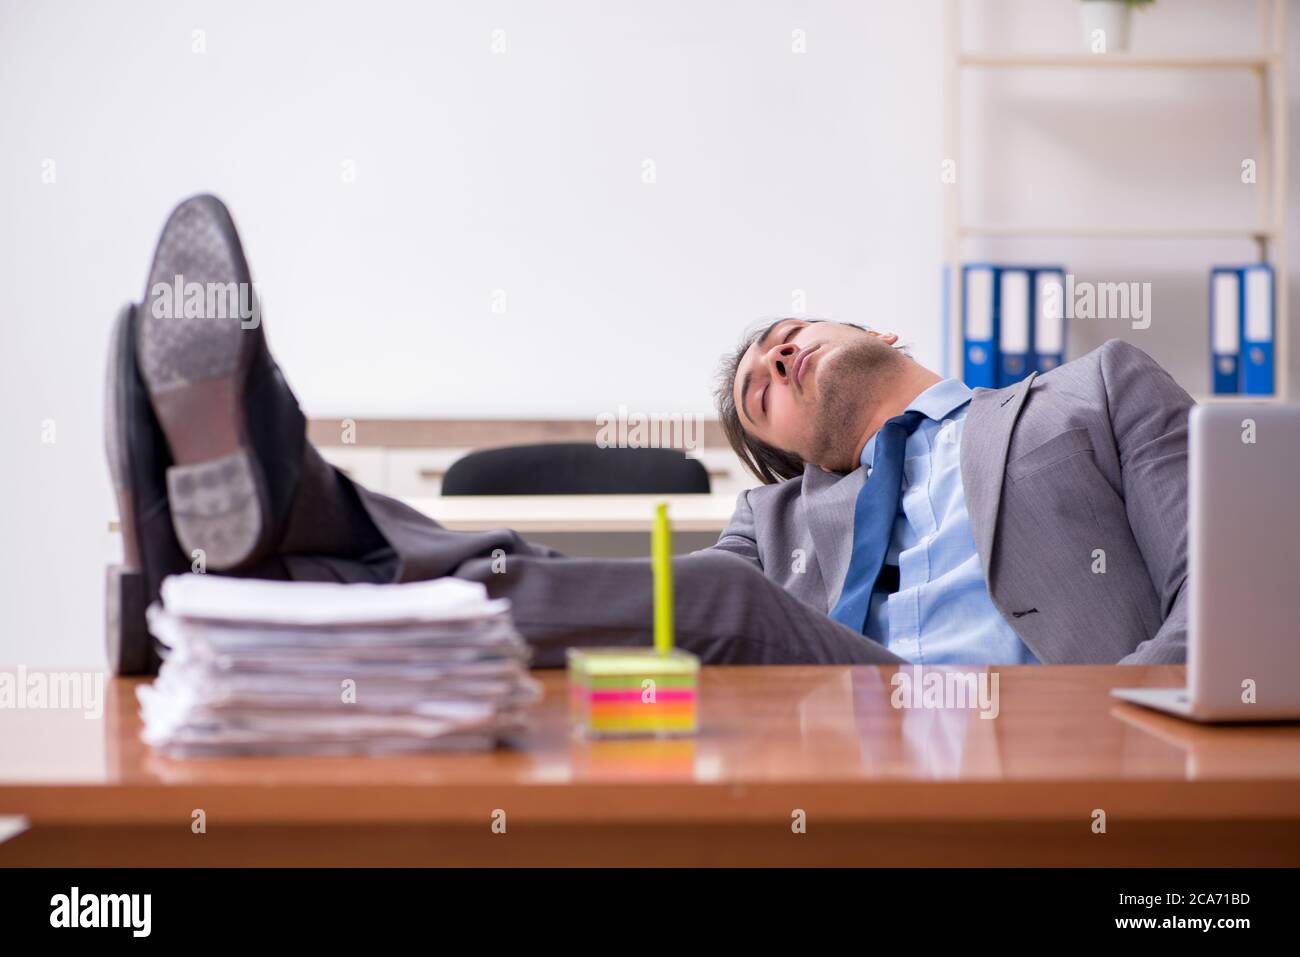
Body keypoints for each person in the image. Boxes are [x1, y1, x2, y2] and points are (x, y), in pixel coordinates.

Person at [106, 195, 1190, 675]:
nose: (774, 359)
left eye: (782, 341)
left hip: (1055, 712)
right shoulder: (774, 519)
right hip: (851, 724)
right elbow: (641, 616)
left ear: (877, 330)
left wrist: (1113, 724)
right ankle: (242, 568)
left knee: (708, 600)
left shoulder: (1089, 394)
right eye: (763, 390)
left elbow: (1224, 580)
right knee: (643, 593)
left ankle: (269, 537)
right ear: (800, 461)